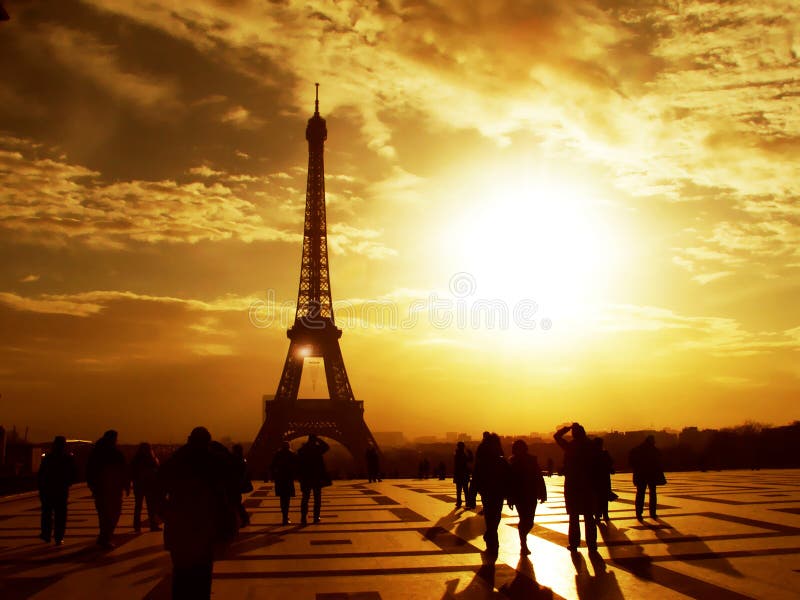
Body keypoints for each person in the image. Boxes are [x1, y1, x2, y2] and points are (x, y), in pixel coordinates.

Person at [159, 426, 234, 600]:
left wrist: (166, 512)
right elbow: (233, 479)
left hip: (180, 523)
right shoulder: (214, 461)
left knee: (181, 573)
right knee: (203, 573)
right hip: (205, 524)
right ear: (208, 442)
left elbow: (158, 487)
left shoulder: (176, 460)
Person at [554, 423, 598, 552]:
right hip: (588, 485)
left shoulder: (571, 447)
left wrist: (565, 429)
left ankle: (574, 543)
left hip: (573, 485)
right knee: (589, 517)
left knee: (573, 517)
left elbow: (556, 436)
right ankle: (592, 544)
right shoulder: (591, 446)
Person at [86, 429, 129, 549]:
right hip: (108, 488)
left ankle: (105, 536)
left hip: (105, 488)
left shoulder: (97, 452)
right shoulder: (113, 453)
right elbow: (123, 470)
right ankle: (105, 537)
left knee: (106, 514)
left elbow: (90, 470)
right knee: (110, 514)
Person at [471, 432, 509, 556]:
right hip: (489, 492)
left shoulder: (498, 461)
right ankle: (493, 538)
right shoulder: (485, 461)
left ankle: (490, 534)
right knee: (492, 515)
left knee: (495, 516)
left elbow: (509, 477)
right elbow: (476, 477)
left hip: (495, 492)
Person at [508, 439, 547, 555]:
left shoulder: (531, 460)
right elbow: (510, 482)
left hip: (530, 494)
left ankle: (523, 537)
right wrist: (510, 497)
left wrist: (542, 493)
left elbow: (538, 477)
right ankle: (523, 544)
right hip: (520, 495)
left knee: (529, 521)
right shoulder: (513, 462)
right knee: (524, 519)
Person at [37, 436, 77, 545]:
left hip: (48, 489)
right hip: (61, 489)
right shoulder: (67, 458)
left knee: (47, 513)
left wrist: (41, 487)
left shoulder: (48, 458)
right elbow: (73, 474)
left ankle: (46, 534)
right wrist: (68, 483)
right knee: (60, 514)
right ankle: (59, 536)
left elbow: (41, 474)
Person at [629, 435, 665, 521]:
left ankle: (639, 513)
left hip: (641, 475)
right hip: (651, 475)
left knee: (640, 494)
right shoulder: (654, 450)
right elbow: (659, 461)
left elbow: (632, 461)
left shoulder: (637, 450)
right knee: (652, 494)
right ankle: (652, 512)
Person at [296, 434, 330, 525]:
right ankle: (316, 517)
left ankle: (303, 517)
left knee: (305, 498)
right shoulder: (317, 449)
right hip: (316, 477)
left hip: (306, 478)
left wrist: (299, 477)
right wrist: (319, 439)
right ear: (314, 440)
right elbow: (327, 447)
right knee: (317, 498)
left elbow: (298, 466)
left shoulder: (301, 451)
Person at [130, 442, 161, 533]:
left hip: (139, 485)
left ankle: (137, 525)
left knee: (138, 506)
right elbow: (157, 468)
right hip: (148, 485)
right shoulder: (151, 459)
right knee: (151, 507)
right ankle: (153, 525)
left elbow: (132, 472)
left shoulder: (136, 459)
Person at [271, 441, 297, 525]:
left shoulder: (277, 454)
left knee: (282, 499)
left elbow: (272, 466)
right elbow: (296, 466)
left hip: (280, 479)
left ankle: (284, 515)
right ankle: (285, 516)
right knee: (287, 498)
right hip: (288, 479)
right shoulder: (292, 454)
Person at [592, 438, 616, 523]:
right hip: (604, 478)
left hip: (595, 479)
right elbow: (610, 463)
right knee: (604, 497)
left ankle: (598, 515)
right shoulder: (605, 453)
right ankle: (605, 514)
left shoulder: (592, 454)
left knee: (597, 497)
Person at [232, 444, 253, 527]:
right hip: (238, 484)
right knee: (237, 503)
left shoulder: (236, 460)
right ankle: (243, 519)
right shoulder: (242, 460)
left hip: (236, 484)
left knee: (236, 503)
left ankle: (243, 519)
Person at [453, 441, 473, 509]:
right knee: (465, 490)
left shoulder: (457, 454)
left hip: (459, 475)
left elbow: (456, 466)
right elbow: (469, 461)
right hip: (464, 474)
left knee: (459, 490)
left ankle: (459, 502)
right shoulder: (463, 454)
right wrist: (470, 453)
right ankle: (467, 502)